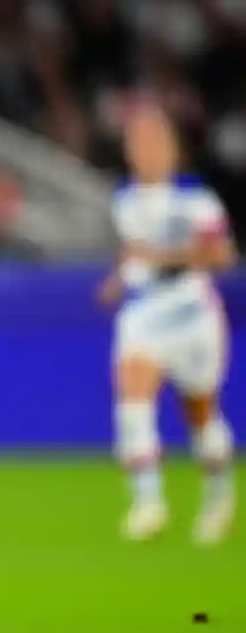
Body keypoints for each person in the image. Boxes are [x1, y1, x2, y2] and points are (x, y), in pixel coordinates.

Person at [98, 106, 237, 544]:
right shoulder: (123, 200)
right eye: (138, 142)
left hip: (191, 313)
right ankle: (148, 502)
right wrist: (117, 281)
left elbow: (223, 256)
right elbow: (133, 254)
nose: (148, 151)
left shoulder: (196, 200)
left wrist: (164, 258)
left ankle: (219, 492)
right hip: (143, 313)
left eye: (156, 141)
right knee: (132, 395)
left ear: (173, 149)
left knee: (200, 414)